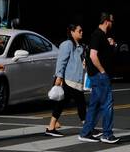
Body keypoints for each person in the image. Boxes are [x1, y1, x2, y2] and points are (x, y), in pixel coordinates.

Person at [79, 12, 119, 144]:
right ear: (107, 21)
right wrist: (102, 71)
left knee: (95, 105)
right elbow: (93, 56)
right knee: (108, 103)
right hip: (99, 75)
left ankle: (86, 132)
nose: (112, 24)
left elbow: (102, 53)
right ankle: (107, 134)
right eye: (112, 21)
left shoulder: (102, 36)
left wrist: (112, 45)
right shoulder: (97, 35)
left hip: (96, 75)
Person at [45, 22, 87, 137]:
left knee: (61, 103)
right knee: (81, 103)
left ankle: (51, 127)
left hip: (76, 80)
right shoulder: (67, 44)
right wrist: (59, 76)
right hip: (69, 80)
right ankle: (87, 128)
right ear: (72, 32)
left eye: (82, 30)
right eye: (79, 31)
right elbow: (61, 61)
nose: (82, 32)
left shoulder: (80, 46)